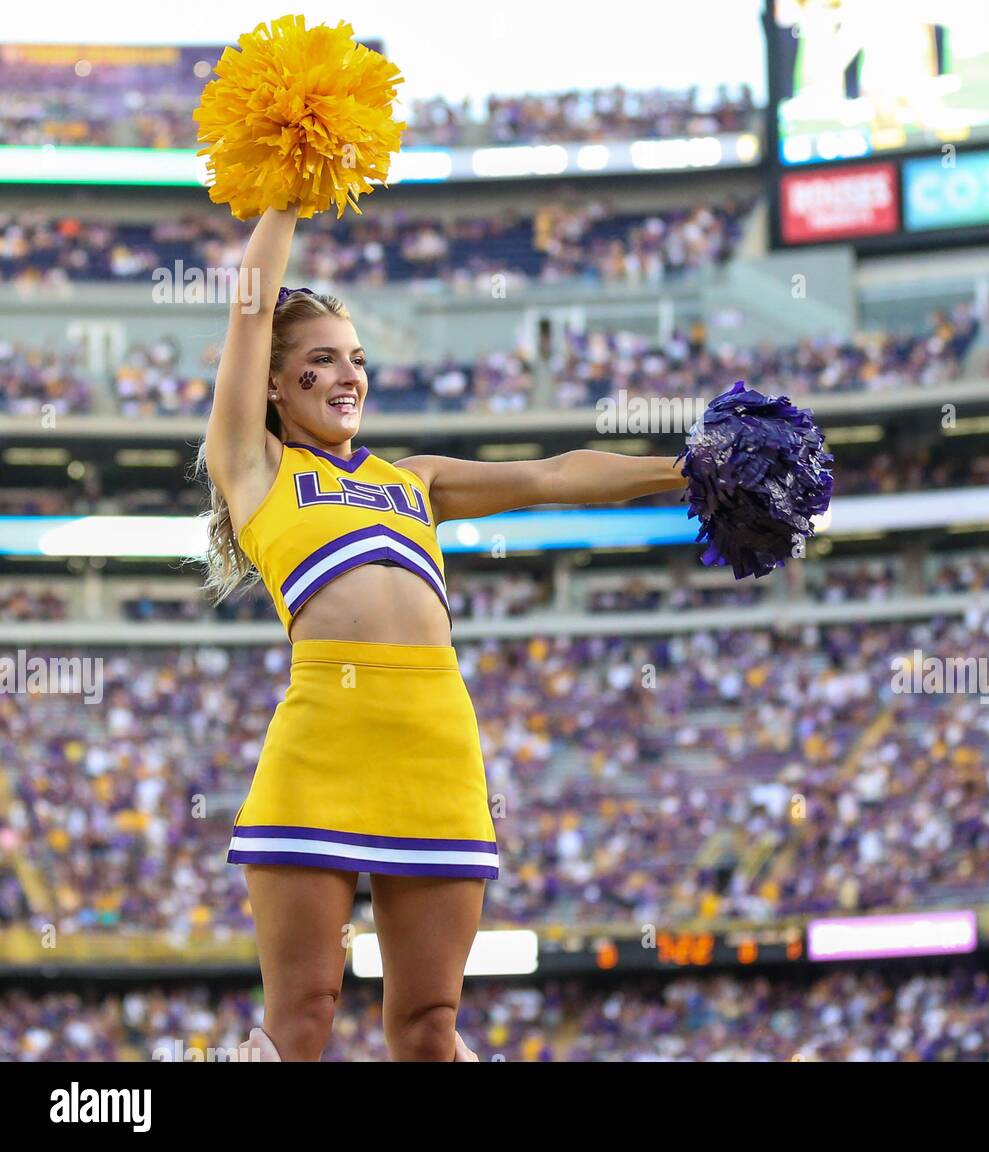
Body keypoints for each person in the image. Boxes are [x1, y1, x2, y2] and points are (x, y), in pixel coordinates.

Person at [194, 205, 686, 1061]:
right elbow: (248, 306)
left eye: (357, 360)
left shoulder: (413, 479)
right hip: (324, 738)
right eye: (320, 361)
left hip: (435, 738)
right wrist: (284, 201)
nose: (348, 376)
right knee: (304, 1014)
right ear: (274, 384)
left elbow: (554, 476)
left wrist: (687, 470)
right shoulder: (257, 465)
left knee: (428, 1028)